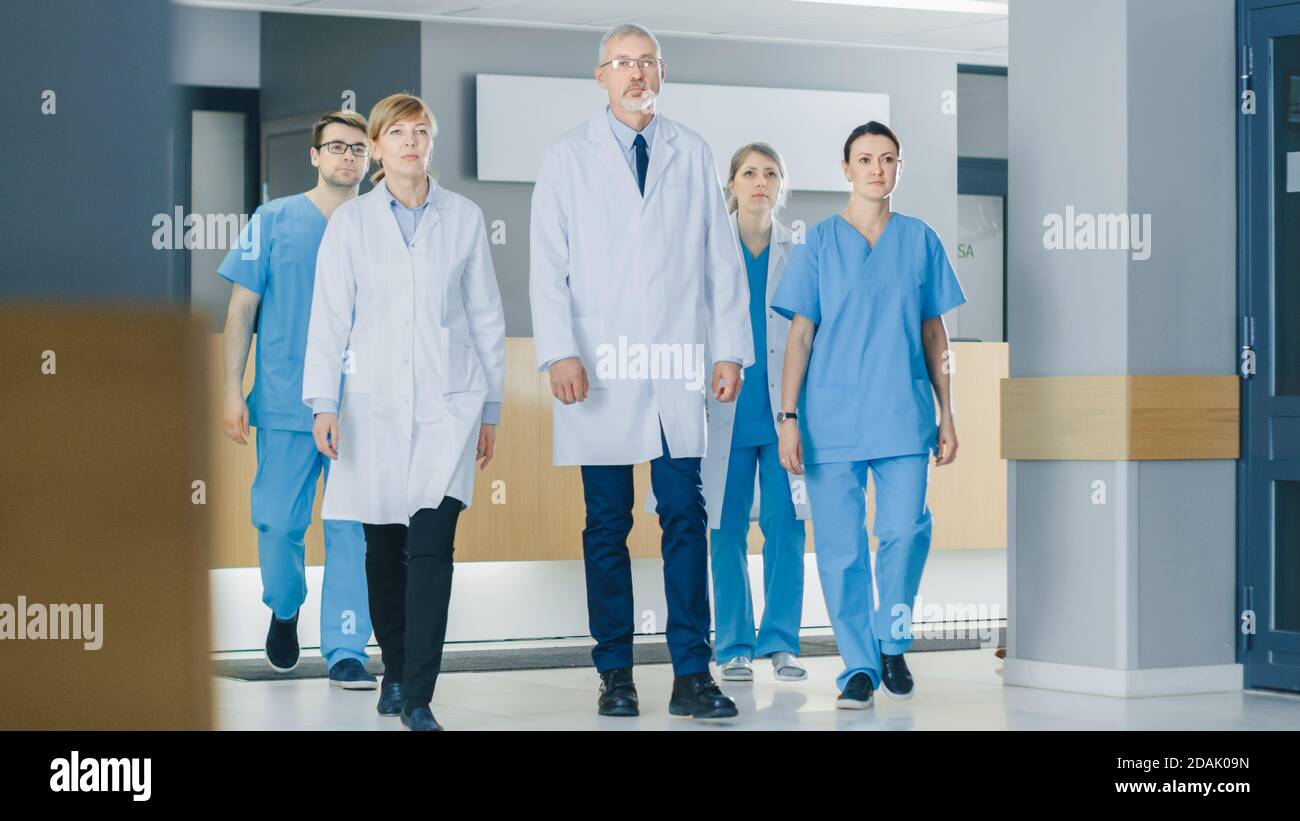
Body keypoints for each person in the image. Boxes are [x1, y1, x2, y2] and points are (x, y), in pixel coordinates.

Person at [529, 23, 753, 720]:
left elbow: (721, 260)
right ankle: (615, 671)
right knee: (606, 523)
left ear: (663, 72)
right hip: (599, 368)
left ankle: (693, 671)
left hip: (678, 366)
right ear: (600, 77)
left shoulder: (694, 151)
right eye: (622, 63)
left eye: (647, 63)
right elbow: (547, 266)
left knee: (687, 514)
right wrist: (558, 350)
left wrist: (727, 349)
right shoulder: (568, 157)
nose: (635, 74)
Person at [302, 93, 506, 731]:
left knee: (432, 546)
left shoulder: (464, 218)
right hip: (372, 409)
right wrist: (323, 403)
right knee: (382, 547)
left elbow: (485, 316)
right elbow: (331, 318)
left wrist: (491, 405)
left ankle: (419, 692)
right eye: (398, 133)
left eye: (422, 133)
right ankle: (394, 664)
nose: (411, 143)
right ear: (378, 147)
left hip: (449, 406)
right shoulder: (352, 224)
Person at [771, 121, 965, 710]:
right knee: (840, 547)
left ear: (899, 168)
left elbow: (935, 333)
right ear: (846, 169)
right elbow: (799, 338)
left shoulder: (920, 240)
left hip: (904, 414)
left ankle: (892, 636)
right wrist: (787, 418)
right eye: (865, 159)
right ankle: (858, 664)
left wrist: (947, 411)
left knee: (906, 532)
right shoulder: (820, 243)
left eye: (887, 159)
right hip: (830, 418)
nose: (876, 168)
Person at [218, 110, 376, 690]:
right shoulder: (273, 219)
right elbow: (241, 308)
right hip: (286, 403)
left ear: (371, 159)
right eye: (336, 147)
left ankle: (346, 648)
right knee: (278, 524)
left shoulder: (381, 222)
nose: (347, 157)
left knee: (351, 530)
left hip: (359, 405)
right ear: (314, 155)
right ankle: (285, 609)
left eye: (358, 149)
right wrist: (231, 390)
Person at [648, 143, 811, 683]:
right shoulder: (706, 248)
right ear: (732, 184)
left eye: (770, 173)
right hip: (725, 411)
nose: (759, 181)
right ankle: (735, 644)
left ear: (781, 186)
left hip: (785, 412)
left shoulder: (801, 251)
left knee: (786, 528)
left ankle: (783, 641)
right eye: (749, 172)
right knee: (724, 527)